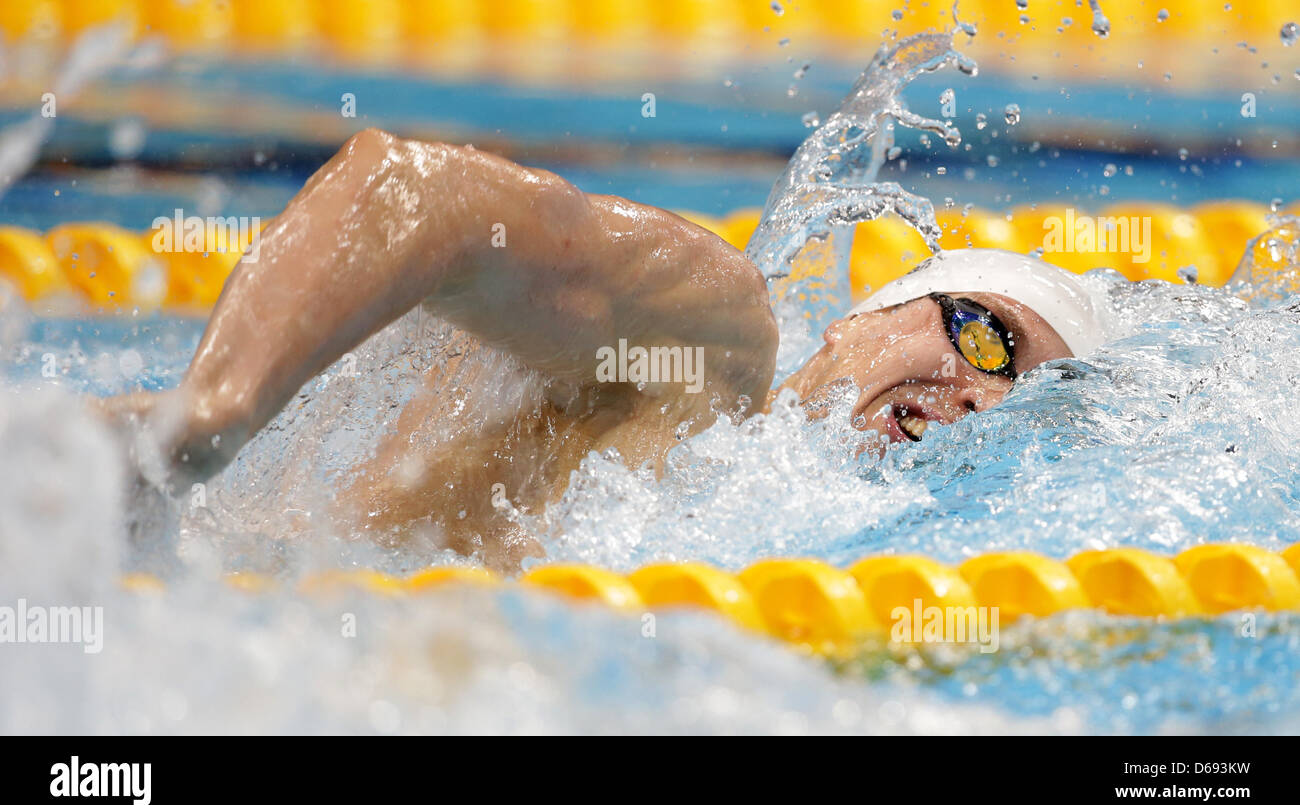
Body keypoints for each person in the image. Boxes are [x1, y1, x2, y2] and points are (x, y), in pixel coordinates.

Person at [98, 129, 1105, 568]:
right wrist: (209, 420)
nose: (980, 394)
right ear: (861, 318)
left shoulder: (796, 547)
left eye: (1020, 405)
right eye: (987, 335)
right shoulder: (715, 350)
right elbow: (421, 192)